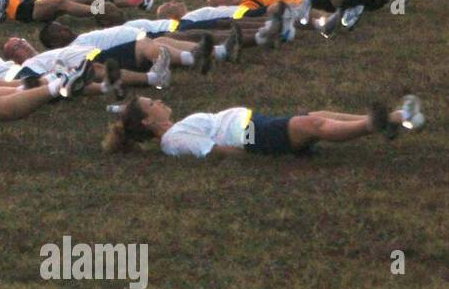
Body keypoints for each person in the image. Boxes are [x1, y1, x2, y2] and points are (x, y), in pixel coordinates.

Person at [103, 94, 425, 157]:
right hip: (249, 134)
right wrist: (254, 151)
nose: (158, 102)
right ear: (147, 121)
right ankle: (375, 123)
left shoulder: (174, 131)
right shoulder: (173, 139)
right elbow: (214, 151)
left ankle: (394, 119)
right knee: (313, 123)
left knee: (317, 115)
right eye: (152, 104)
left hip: (250, 126)